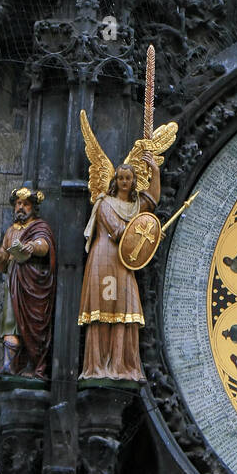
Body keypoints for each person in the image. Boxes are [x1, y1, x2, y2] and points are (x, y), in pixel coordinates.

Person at [78, 153, 159, 381]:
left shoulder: (134, 206)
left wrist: (155, 171)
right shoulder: (105, 204)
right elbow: (119, 231)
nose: (124, 181)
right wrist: (147, 233)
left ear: (134, 182)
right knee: (104, 306)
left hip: (124, 261)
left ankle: (122, 365)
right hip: (105, 257)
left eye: (128, 178)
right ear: (116, 180)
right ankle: (99, 365)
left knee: (125, 306)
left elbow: (151, 200)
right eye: (121, 178)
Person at [0, 187, 57, 379]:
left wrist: (31, 246)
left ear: (33, 207)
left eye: (26, 204)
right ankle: (9, 366)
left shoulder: (40, 227)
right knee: (10, 323)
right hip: (14, 283)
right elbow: (5, 261)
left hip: (33, 284)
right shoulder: (11, 231)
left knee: (33, 326)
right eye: (18, 204)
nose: (21, 208)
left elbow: (44, 245)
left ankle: (33, 366)